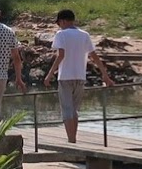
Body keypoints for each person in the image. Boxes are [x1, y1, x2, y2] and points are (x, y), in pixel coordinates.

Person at [46, 8, 112, 142]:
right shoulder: (84, 35)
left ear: (63, 21)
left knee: (66, 110)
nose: (59, 26)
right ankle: (73, 139)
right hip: (80, 76)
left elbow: (61, 55)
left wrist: (50, 73)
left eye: (59, 23)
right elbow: (94, 56)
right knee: (74, 110)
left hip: (65, 76)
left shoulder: (61, 34)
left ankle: (71, 140)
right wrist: (104, 74)